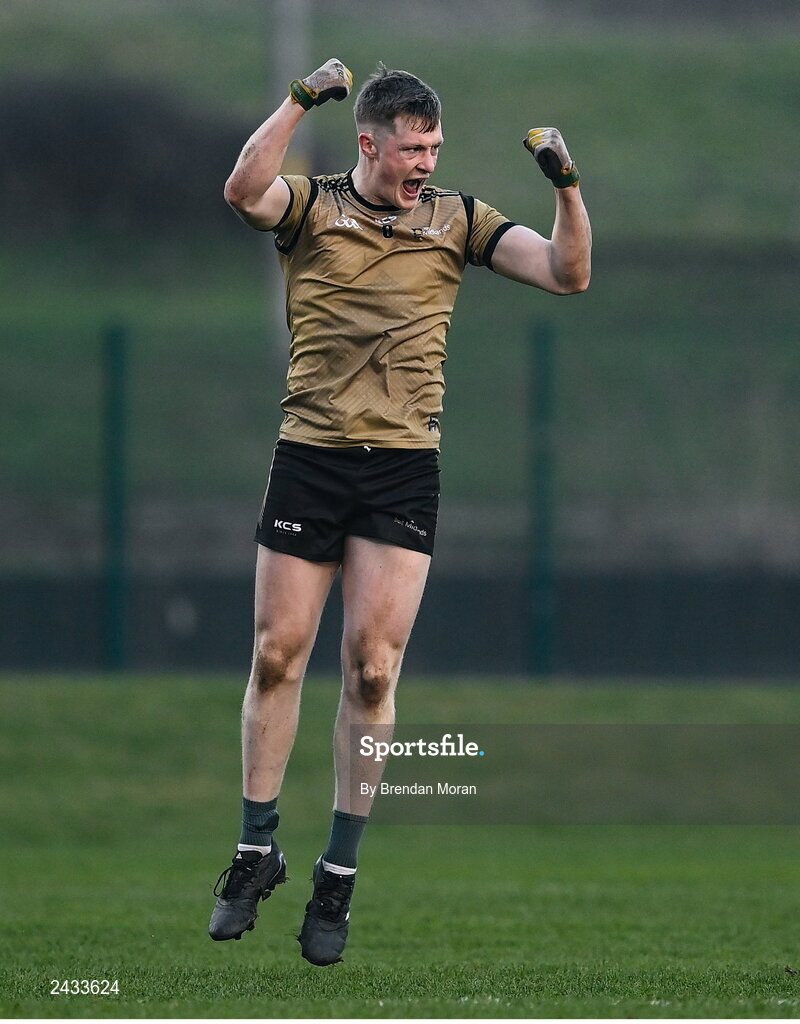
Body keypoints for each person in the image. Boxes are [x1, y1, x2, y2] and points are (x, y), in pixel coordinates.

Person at [208, 58, 591, 966]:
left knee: (373, 671)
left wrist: (566, 186)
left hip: (402, 468)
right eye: (413, 148)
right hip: (310, 457)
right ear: (370, 144)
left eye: (435, 148)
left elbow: (566, 273)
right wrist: (300, 99)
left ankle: (338, 873)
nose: (427, 162)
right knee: (277, 654)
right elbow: (244, 190)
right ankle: (256, 849)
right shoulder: (311, 206)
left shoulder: (458, 219)